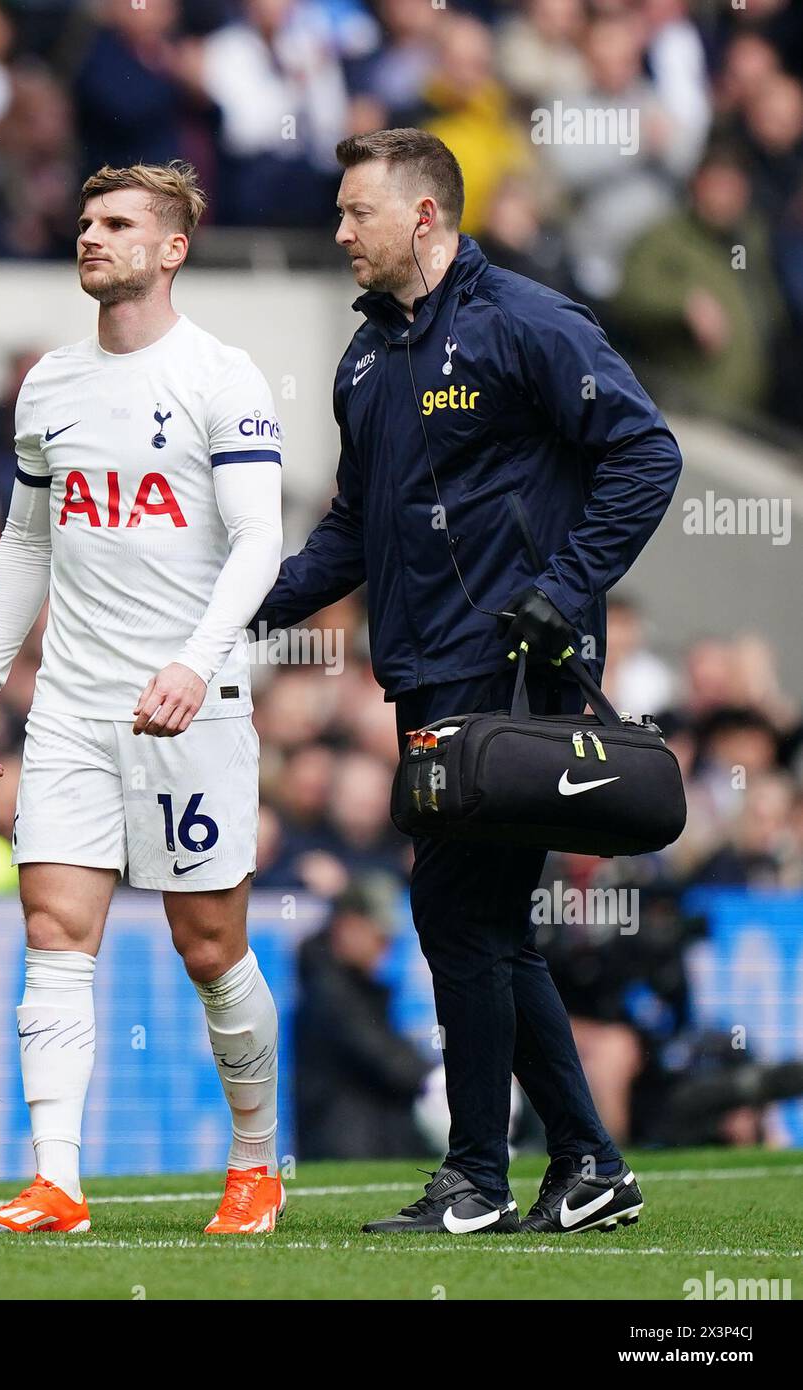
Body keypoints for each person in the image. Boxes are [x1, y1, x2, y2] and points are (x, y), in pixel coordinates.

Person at [252, 128, 682, 1235]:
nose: (340, 232)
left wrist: (565, 586)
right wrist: (254, 610)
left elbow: (648, 453)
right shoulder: (365, 359)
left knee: (460, 913)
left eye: (357, 212)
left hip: (513, 676)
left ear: (425, 216)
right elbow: (353, 527)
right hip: (427, 676)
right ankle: (585, 1161)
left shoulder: (526, 322)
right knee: (481, 922)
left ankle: (480, 1178)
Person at [0, 161, 285, 1235]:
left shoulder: (222, 376)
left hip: (192, 706)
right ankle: (58, 1181)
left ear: (172, 247)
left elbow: (260, 539)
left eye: (117, 224)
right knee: (55, 926)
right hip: (74, 708)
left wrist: (194, 660)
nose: (91, 237)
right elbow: (25, 540)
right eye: (86, 222)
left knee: (207, 944)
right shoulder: (48, 383)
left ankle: (254, 1162)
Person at [295, 873, 429, 1159]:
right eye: (380, 938)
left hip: (358, 1138)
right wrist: (446, 1080)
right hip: (343, 1145)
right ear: (347, 927)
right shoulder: (330, 992)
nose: (386, 949)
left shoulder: (344, 985)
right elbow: (387, 1060)